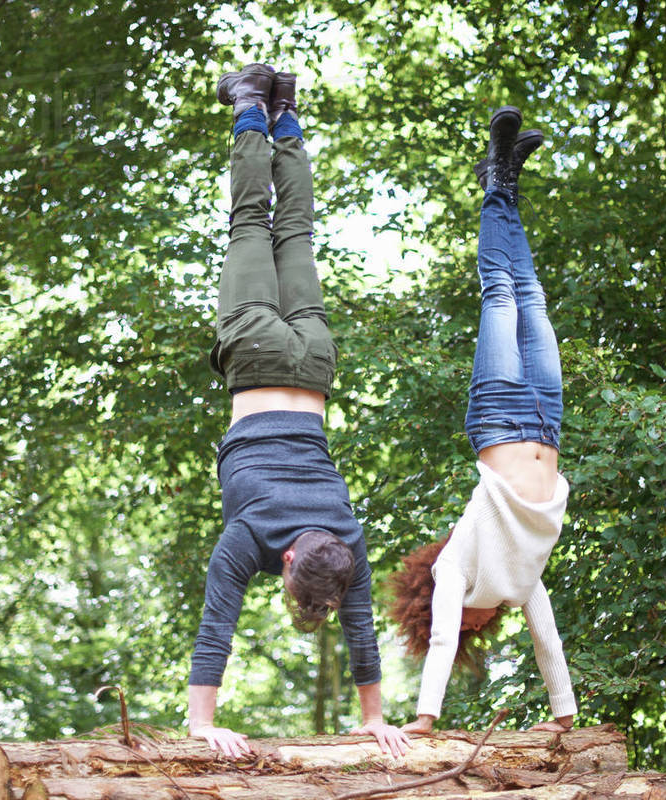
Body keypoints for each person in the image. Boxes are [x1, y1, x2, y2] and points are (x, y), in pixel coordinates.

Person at [188, 63, 410, 759]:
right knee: (250, 221)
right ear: (288, 560)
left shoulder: (347, 539)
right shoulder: (252, 534)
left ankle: (285, 111)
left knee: (299, 233)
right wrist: (200, 722)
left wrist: (376, 717)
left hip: (313, 360)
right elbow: (214, 626)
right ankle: (251, 102)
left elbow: (362, 629)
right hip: (254, 353)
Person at [389, 106, 577, 735]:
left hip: (497, 420)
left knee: (499, 290)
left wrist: (424, 717)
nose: (470, 625)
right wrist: (564, 717)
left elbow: (441, 641)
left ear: (427, 605)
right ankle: (506, 185)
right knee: (533, 295)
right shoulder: (522, 585)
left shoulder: (455, 571)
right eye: (477, 629)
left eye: (457, 621)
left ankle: (497, 181)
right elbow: (548, 643)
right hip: (546, 423)